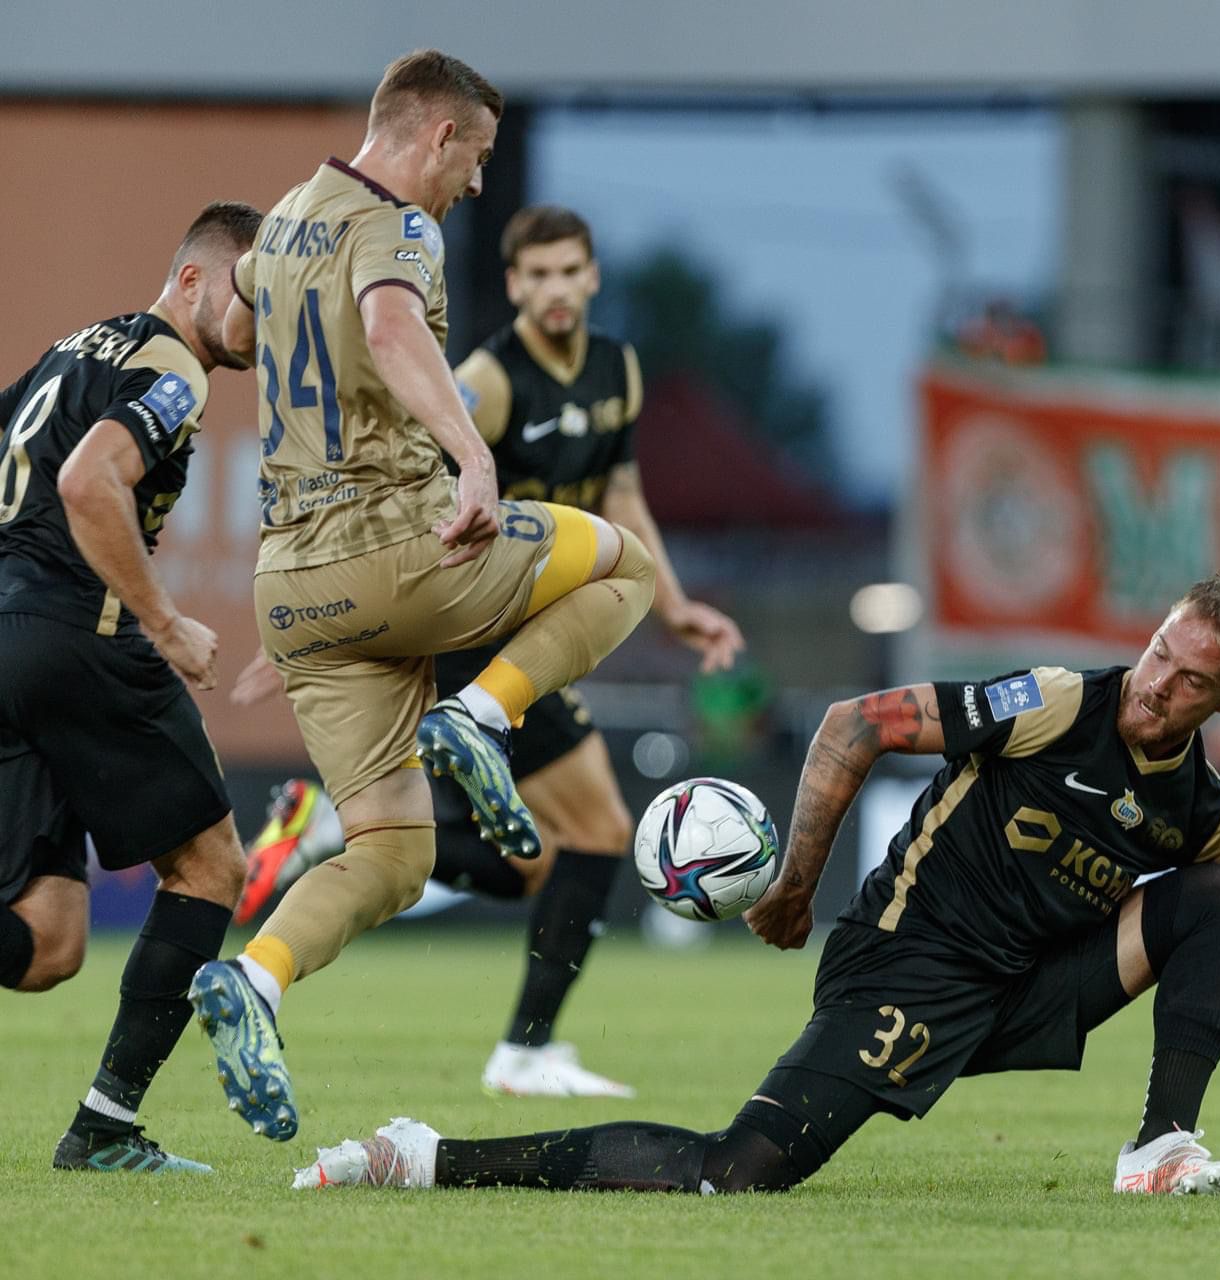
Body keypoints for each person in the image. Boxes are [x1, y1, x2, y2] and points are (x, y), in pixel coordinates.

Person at [291, 575, 1220, 1196]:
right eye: (1161, 650)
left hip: (1026, 989)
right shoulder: (1057, 701)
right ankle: (426, 1154)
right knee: (735, 1170)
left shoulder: (1197, 804)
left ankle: (1161, 1145)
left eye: (1188, 677)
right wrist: (798, 886)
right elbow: (858, 723)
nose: (1156, 683)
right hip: (909, 962)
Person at [187, 50, 660, 1144]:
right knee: (623, 561)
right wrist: (473, 460)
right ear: (439, 135)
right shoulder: (398, 224)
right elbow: (395, 326)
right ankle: (480, 714)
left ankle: (254, 980)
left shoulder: (287, 221)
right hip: (396, 545)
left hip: (292, 587)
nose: (479, 183)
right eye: (479, 157)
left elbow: (239, 320)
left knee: (393, 852)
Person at [233, 204, 745, 1098]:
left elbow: (625, 500)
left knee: (529, 867)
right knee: (600, 831)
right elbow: (407, 471)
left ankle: (325, 828)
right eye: (535, 275)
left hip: (534, 633)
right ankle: (526, 1052)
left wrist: (678, 607)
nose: (553, 289)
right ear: (513, 286)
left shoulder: (617, 371)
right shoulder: (486, 381)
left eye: (568, 272)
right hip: (481, 634)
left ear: (591, 278)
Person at [0, 202, 262, 1173]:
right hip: (81, 638)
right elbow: (84, 483)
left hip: (10, 639)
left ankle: (104, 1124)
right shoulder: (172, 365)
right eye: (252, 296)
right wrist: (161, 619)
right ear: (192, 279)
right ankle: (105, 1125)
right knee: (210, 869)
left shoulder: (77, 347)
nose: (260, 324)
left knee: (48, 939)